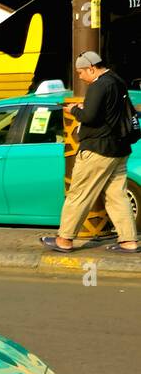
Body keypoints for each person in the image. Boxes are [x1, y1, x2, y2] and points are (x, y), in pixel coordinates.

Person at [41, 51, 140, 254]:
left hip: (98, 149)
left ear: (91, 68)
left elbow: (91, 117)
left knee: (79, 193)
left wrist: (74, 110)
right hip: (119, 149)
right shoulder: (117, 80)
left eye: (80, 72)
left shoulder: (98, 85)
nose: (79, 77)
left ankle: (64, 239)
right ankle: (129, 241)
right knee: (117, 196)